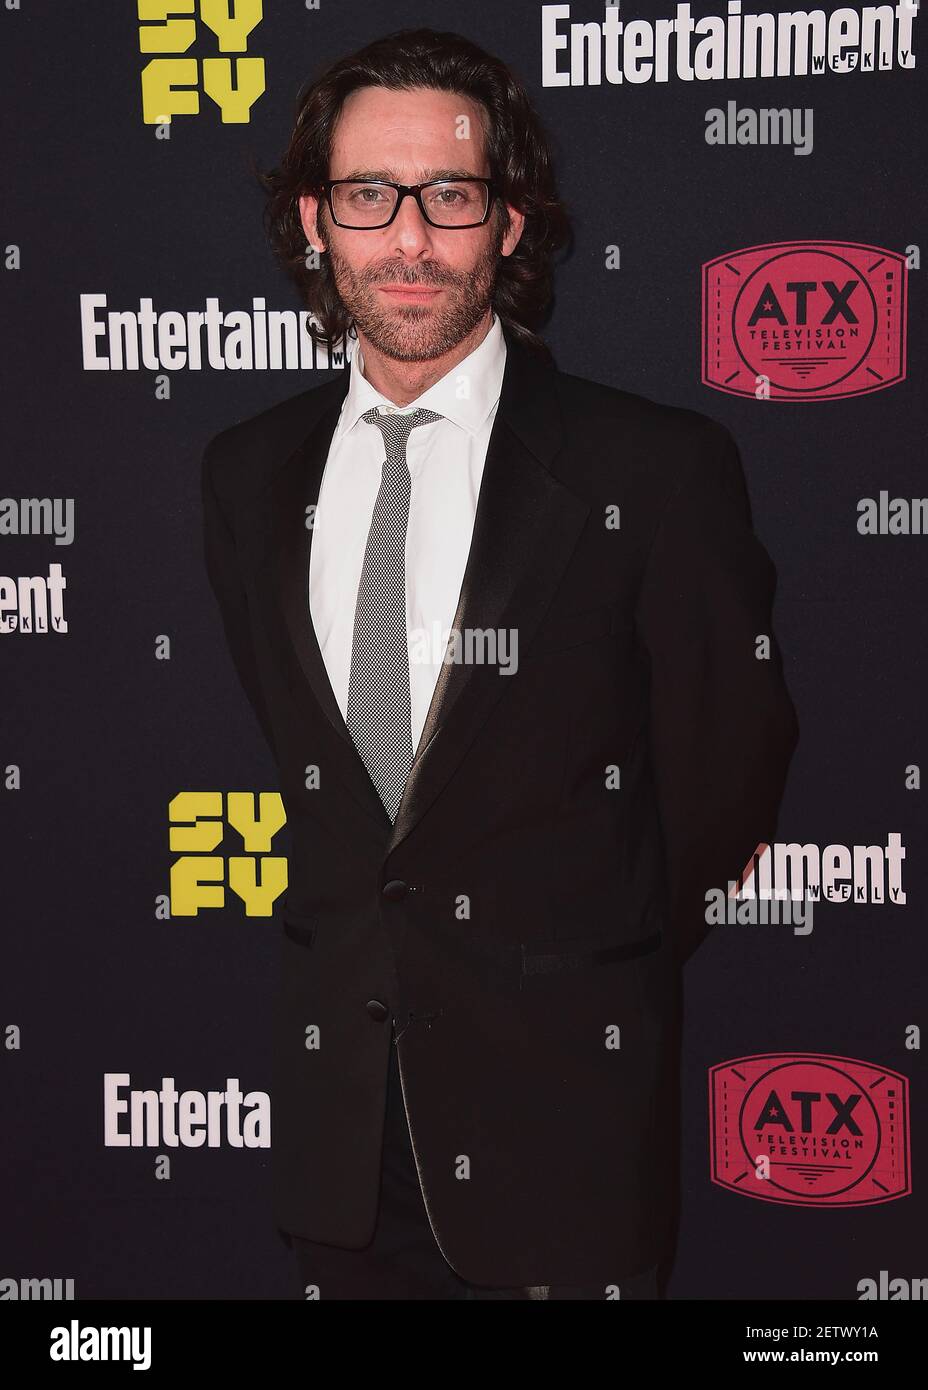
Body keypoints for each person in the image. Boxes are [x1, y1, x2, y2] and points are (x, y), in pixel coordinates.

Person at [200, 27, 799, 1300]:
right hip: (338, 1149)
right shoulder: (247, 478)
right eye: (369, 195)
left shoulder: (649, 469)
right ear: (316, 218)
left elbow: (723, 775)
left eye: (451, 196)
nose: (408, 238)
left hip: (565, 1140)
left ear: (509, 223)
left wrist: (575, 942)